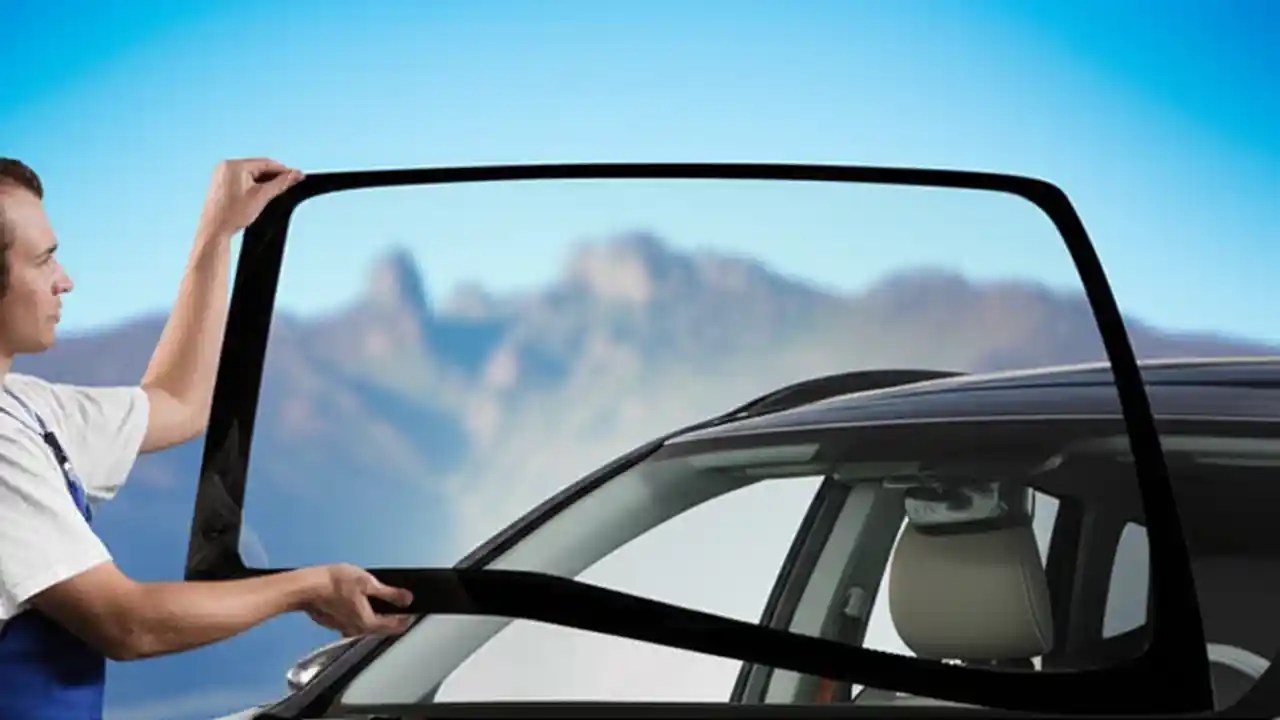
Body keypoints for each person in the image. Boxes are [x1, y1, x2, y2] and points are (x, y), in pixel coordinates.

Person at [0, 157, 415, 719]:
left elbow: (178, 404)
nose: (65, 279)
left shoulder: (26, 406)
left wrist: (218, 235)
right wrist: (305, 588)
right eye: (44, 258)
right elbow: (127, 625)